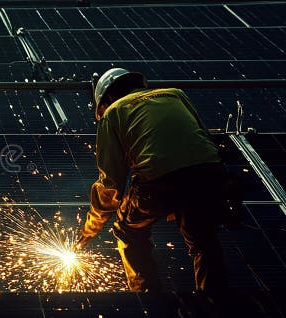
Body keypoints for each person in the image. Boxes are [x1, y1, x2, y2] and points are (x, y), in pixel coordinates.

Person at [74, 68, 230, 296]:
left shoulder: (113, 112)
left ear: (106, 99)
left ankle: (147, 298)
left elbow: (111, 185)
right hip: (209, 174)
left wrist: (89, 231)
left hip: (160, 180)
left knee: (127, 231)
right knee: (202, 239)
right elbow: (203, 137)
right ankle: (215, 302)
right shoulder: (175, 94)